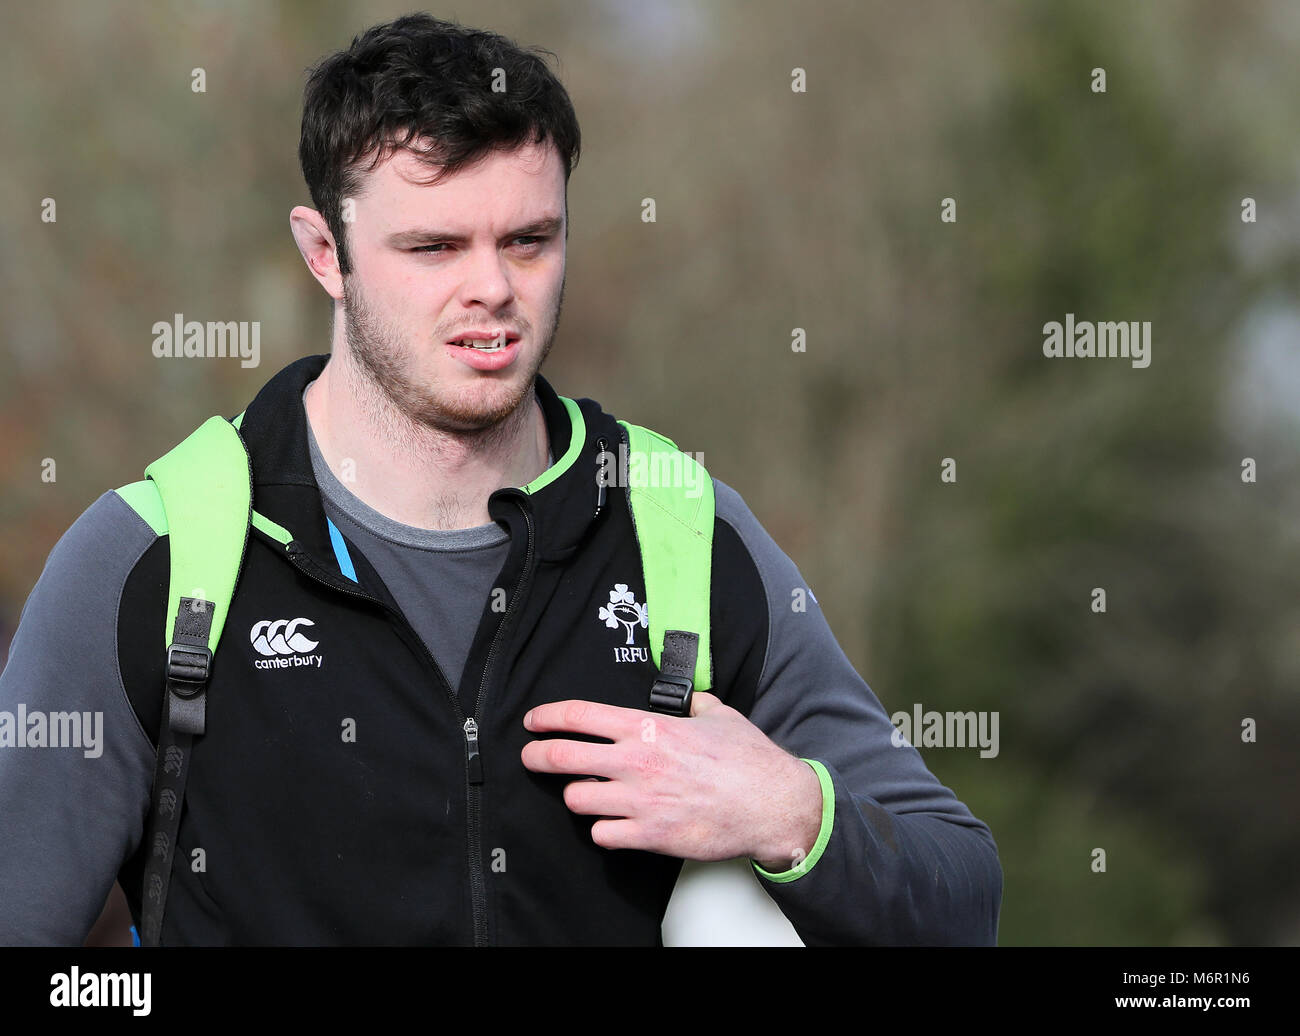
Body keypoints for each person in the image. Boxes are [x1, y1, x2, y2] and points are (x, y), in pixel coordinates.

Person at [0, 13, 1001, 946]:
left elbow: (961, 891)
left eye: (529, 239)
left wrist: (790, 814)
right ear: (325, 254)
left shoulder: (680, 533)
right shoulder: (156, 558)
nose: (493, 286)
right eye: (432, 246)